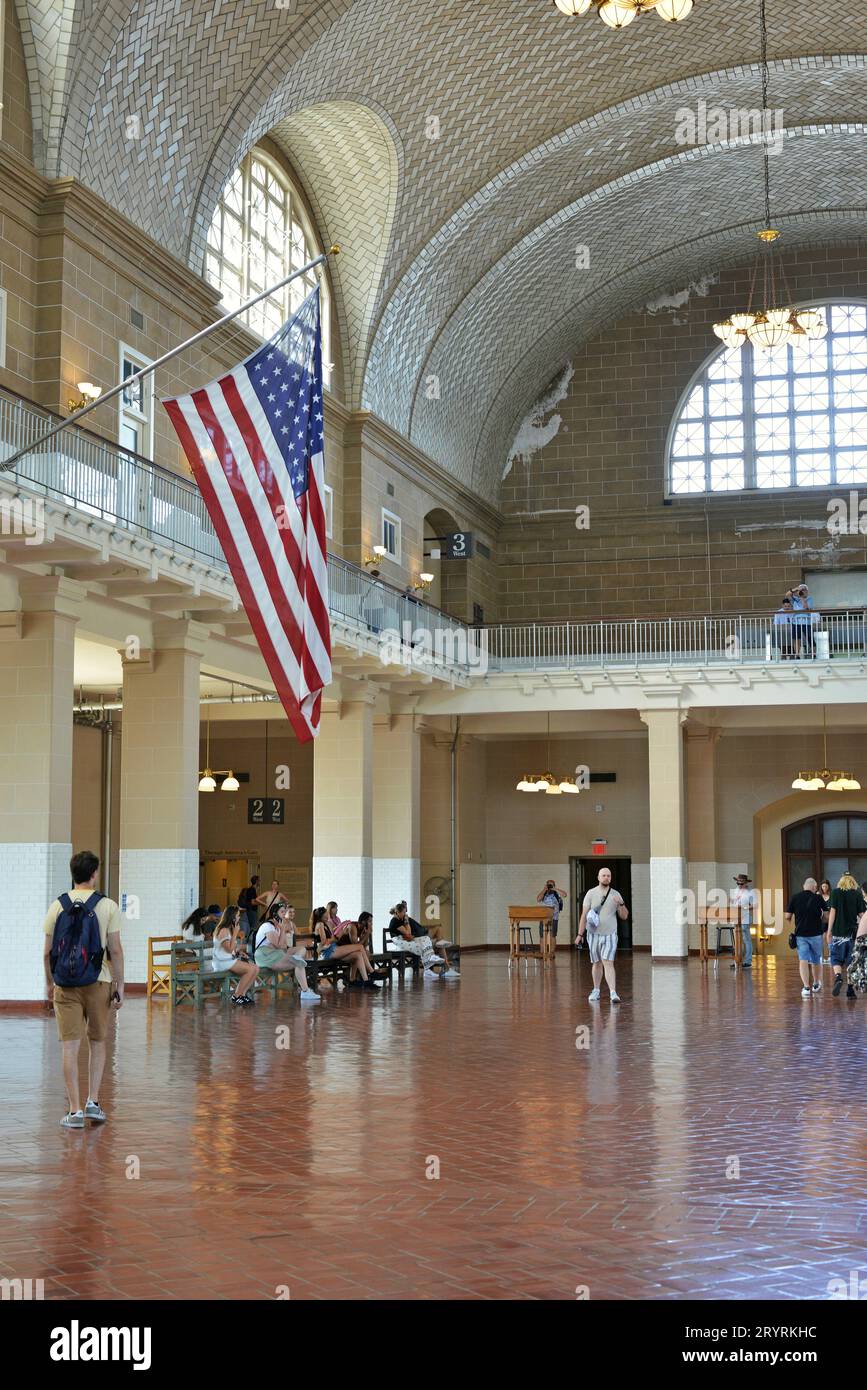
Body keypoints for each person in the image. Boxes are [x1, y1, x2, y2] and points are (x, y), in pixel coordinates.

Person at [42, 850, 125, 1130]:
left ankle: (74, 1111)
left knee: (69, 1047)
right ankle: (93, 1101)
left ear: (72, 873)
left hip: (65, 983)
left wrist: (49, 983)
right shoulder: (108, 906)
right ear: (94, 874)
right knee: (98, 1043)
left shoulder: (57, 906)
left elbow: (47, 952)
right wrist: (120, 985)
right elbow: (114, 949)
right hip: (98, 981)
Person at [576, 866, 627, 1004]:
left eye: (608, 876)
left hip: (610, 934)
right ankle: (596, 990)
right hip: (593, 934)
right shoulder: (591, 894)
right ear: (598, 877)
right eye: (603, 875)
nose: (606, 878)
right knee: (597, 962)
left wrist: (621, 904)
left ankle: (613, 992)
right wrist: (580, 935)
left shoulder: (615, 894)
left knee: (608, 962)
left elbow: (624, 916)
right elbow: (584, 915)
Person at [254, 902, 320, 1003]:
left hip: (277, 952)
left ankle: (297, 960)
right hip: (265, 955)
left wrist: (281, 931)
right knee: (299, 963)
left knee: (301, 949)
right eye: (282, 912)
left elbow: (284, 946)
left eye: (285, 912)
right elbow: (279, 945)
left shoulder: (278, 927)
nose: (284, 914)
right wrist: (283, 930)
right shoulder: (268, 926)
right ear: (275, 913)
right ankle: (305, 991)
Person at [310, 906, 381, 988]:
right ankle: (372, 972)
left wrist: (340, 929)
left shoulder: (326, 924)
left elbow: (335, 938)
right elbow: (324, 942)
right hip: (328, 952)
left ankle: (364, 981)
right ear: (321, 916)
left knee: (357, 954)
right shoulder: (320, 924)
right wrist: (339, 934)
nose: (327, 916)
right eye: (326, 914)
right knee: (360, 947)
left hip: (334, 948)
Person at [387, 903, 460, 977]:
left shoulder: (401, 919)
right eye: (404, 912)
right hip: (410, 940)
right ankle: (439, 967)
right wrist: (406, 920)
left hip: (416, 937)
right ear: (398, 912)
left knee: (438, 942)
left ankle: (444, 967)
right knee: (437, 941)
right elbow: (408, 933)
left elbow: (409, 933)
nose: (405, 914)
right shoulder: (397, 921)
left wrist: (406, 922)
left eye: (405, 912)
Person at [784, 877, 825, 997]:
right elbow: (826, 915)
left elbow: (787, 916)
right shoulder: (818, 898)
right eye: (816, 887)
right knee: (816, 960)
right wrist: (820, 918)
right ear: (813, 887)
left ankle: (806, 987)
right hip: (816, 934)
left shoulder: (795, 897)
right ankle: (816, 984)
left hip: (801, 934)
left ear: (804, 886)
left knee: (803, 960)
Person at [212, 905, 259, 1006]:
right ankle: (236, 995)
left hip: (228, 960)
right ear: (232, 917)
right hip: (221, 962)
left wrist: (237, 952)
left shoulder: (229, 929)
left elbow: (231, 949)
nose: (239, 918)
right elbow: (228, 950)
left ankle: (242, 994)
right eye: (238, 915)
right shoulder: (223, 930)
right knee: (250, 969)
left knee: (256, 968)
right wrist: (235, 934)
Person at [827, 872, 863, 998]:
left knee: (836, 958)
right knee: (850, 961)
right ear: (853, 882)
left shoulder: (835, 893)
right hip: (852, 934)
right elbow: (862, 915)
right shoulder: (857, 894)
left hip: (838, 933)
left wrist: (829, 930)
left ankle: (838, 977)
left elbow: (832, 912)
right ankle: (850, 990)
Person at [732, 873, 759, 967]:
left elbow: (755, 905)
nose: (739, 885)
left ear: (746, 883)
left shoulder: (751, 892)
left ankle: (748, 961)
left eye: (741, 884)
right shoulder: (735, 891)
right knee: (737, 940)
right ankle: (737, 959)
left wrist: (743, 907)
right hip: (735, 917)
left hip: (745, 918)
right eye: (738, 883)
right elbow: (733, 901)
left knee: (746, 939)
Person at [536, 878, 567, 954]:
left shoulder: (556, 893)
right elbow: (538, 899)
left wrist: (555, 888)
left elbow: (565, 895)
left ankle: (552, 952)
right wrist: (544, 889)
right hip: (543, 918)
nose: (550, 886)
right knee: (542, 935)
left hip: (554, 918)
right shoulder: (544, 893)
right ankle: (542, 952)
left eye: (551, 884)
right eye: (548, 884)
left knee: (553, 935)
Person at [846, 883, 867, 995]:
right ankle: (851, 988)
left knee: (854, 964)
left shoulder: (862, 901)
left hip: (862, 939)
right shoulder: (862, 902)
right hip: (861, 938)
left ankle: (850, 988)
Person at [791, 583, 815, 657]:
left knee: (810, 637)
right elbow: (787, 594)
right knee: (796, 638)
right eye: (801, 590)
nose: (802, 591)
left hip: (806, 621)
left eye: (804, 590)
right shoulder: (795, 598)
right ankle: (797, 654)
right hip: (796, 621)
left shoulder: (809, 598)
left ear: (807, 591)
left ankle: (814, 653)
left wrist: (802, 598)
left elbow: (806, 608)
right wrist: (796, 589)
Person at [238, 876, 260, 941]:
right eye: (259, 880)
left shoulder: (251, 890)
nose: (260, 882)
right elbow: (252, 902)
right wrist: (262, 904)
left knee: (252, 927)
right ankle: (251, 943)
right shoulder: (252, 890)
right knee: (254, 928)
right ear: (256, 881)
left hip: (250, 911)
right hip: (252, 911)